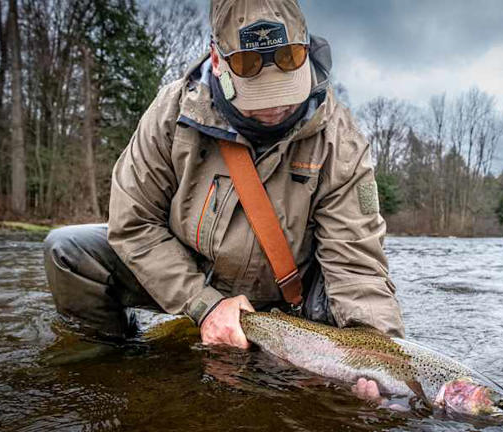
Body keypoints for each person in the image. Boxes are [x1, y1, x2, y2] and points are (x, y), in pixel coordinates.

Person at [43, 0, 403, 403]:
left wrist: (379, 360)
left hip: (293, 299)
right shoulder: (171, 113)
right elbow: (134, 223)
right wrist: (204, 304)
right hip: (193, 273)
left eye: (286, 87)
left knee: (356, 354)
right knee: (68, 252)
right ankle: (114, 363)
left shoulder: (342, 142)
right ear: (218, 60)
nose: (276, 105)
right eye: (259, 92)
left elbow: (357, 265)